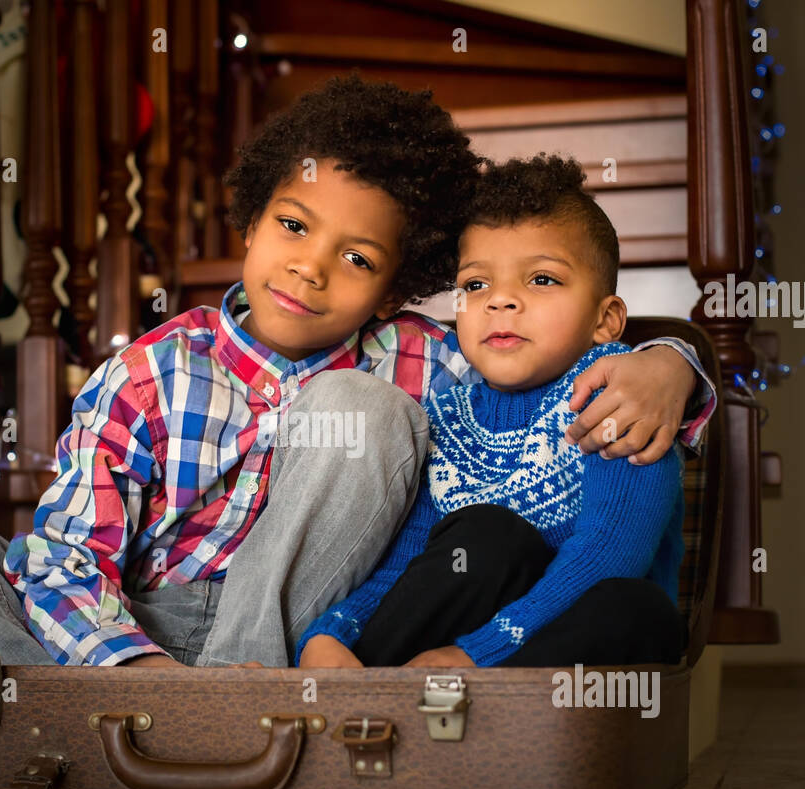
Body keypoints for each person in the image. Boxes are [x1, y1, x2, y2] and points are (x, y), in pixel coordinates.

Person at [0, 76, 714, 671]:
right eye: (293, 227)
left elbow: (542, 353)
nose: (311, 269)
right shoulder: (148, 372)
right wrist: (127, 664)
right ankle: (75, 714)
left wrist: (669, 364)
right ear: (249, 222)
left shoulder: (416, 359)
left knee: (361, 409)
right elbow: (65, 559)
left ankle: (221, 710)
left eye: (357, 257)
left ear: (396, 286)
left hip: (279, 639)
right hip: (122, 623)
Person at [296, 154, 691, 669]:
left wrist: (474, 655)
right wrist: (335, 632)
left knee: (637, 609)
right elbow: (410, 563)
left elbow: (608, 553)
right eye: (476, 285)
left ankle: (462, 703)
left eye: (542, 280)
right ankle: (375, 701)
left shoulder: (621, 392)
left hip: (559, 651)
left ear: (606, 319)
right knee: (485, 537)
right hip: (442, 655)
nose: (501, 301)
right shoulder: (448, 414)